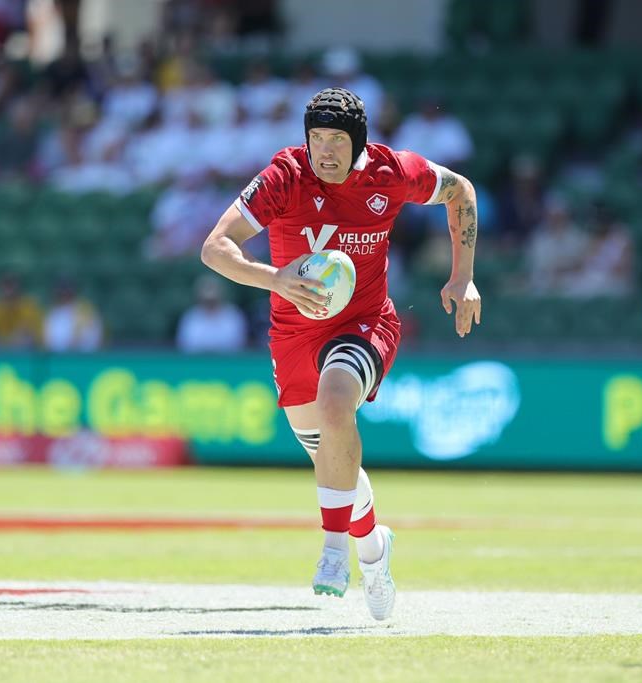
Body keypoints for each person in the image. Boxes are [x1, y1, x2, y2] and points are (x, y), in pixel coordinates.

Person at [201, 87, 481, 621]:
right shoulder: (284, 176)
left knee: (336, 403)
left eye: (336, 139)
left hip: (365, 323)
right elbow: (215, 247)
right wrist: (275, 279)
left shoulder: (391, 172)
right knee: (330, 456)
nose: (325, 150)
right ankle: (373, 550)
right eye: (316, 138)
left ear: (358, 142)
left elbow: (461, 191)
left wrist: (462, 276)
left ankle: (333, 551)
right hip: (293, 334)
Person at [175, 274, 248, 353]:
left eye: (213, 300)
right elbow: (185, 346)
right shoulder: (190, 317)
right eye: (207, 301)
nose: (210, 303)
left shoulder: (233, 315)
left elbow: (239, 344)